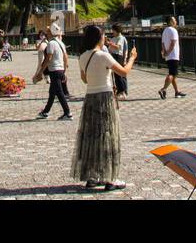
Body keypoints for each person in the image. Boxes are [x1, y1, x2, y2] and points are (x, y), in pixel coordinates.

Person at [73, 24, 137, 190]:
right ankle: (110, 178)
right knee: (108, 135)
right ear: (98, 38)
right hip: (105, 97)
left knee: (92, 136)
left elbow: (85, 80)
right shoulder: (103, 56)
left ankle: (93, 176)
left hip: (90, 98)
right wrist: (132, 58)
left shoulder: (82, 57)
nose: (105, 39)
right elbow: (123, 72)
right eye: (103, 36)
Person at [34, 23, 72, 120]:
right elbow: (66, 57)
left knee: (59, 92)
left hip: (54, 70)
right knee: (52, 92)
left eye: (48, 31)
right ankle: (45, 112)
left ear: (51, 32)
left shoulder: (51, 43)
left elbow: (48, 58)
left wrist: (40, 72)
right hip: (60, 70)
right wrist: (64, 71)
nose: (46, 33)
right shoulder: (61, 43)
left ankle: (67, 113)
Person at [159, 17, 185, 100]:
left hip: (168, 56)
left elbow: (162, 43)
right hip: (173, 55)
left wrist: (164, 52)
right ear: (170, 21)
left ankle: (177, 91)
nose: (176, 21)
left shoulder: (165, 30)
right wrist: (169, 52)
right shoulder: (173, 30)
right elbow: (173, 43)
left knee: (173, 74)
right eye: (174, 20)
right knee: (172, 74)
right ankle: (163, 89)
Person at [107, 24, 129, 100]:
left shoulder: (121, 38)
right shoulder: (113, 38)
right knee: (116, 76)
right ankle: (119, 91)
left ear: (117, 30)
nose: (112, 31)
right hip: (113, 56)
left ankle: (122, 91)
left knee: (119, 75)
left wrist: (110, 43)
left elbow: (118, 47)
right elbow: (110, 48)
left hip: (118, 57)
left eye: (113, 30)